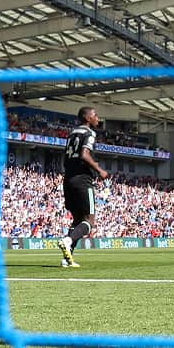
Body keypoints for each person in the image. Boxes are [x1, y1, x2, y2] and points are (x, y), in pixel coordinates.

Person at [58, 106, 110, 268]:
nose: (98, 118)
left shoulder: (72, 134)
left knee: (78, 220)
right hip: (82, 180)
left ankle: (67, 259)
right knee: (89, 222)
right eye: (95, 115)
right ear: (87, 118)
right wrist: (99, 169)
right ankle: (68, 240)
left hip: (68, 179)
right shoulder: (89, 133)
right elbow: (84, 154)